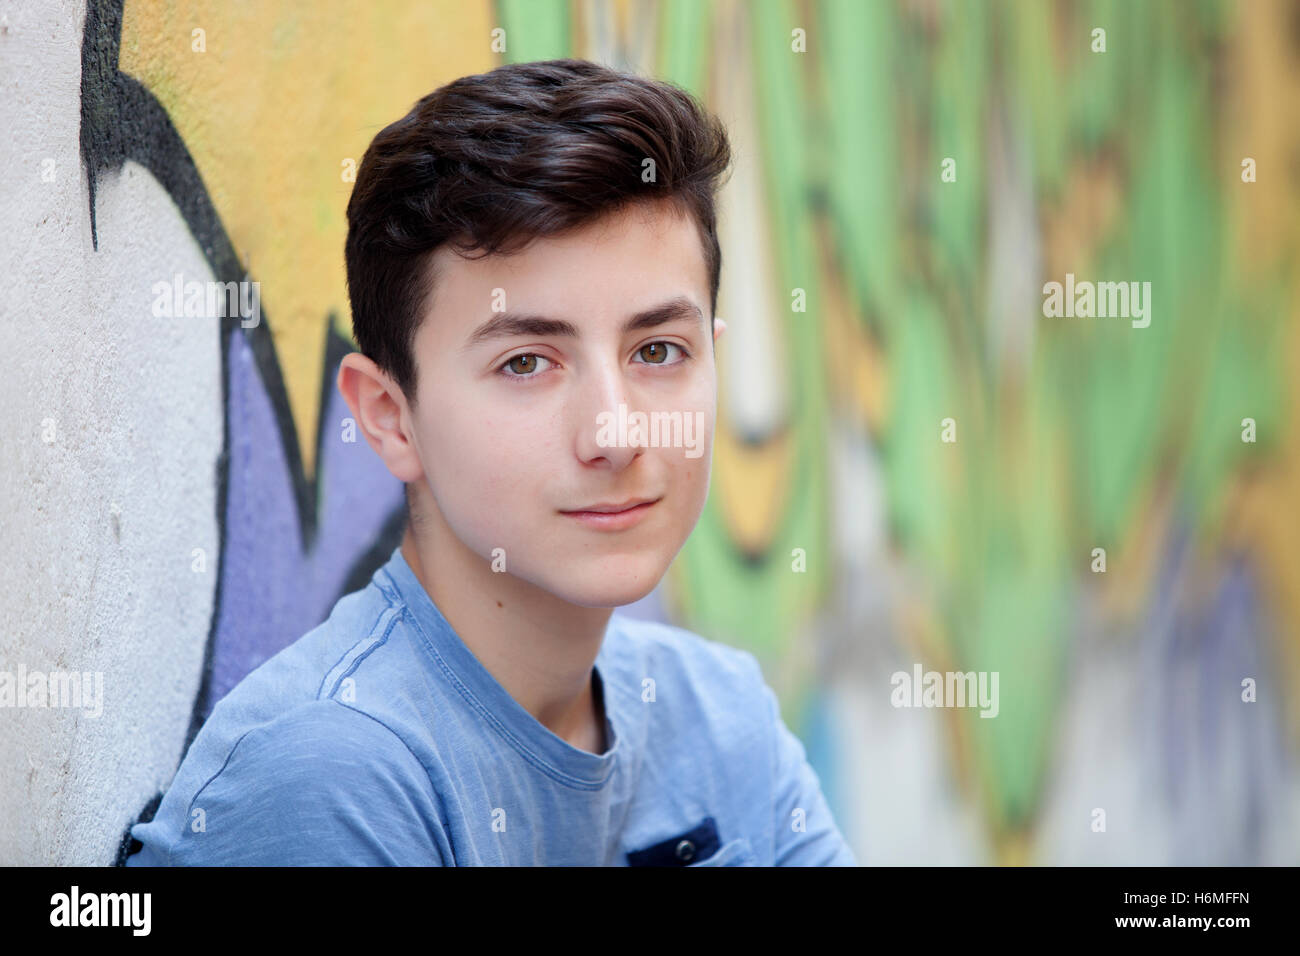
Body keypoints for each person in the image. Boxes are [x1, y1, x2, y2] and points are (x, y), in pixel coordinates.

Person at [126, 58, 856, 866]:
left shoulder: (720, 722)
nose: (614, 433)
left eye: (657, 350)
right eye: (525, 364)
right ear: (389, 417)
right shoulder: (333, 777)